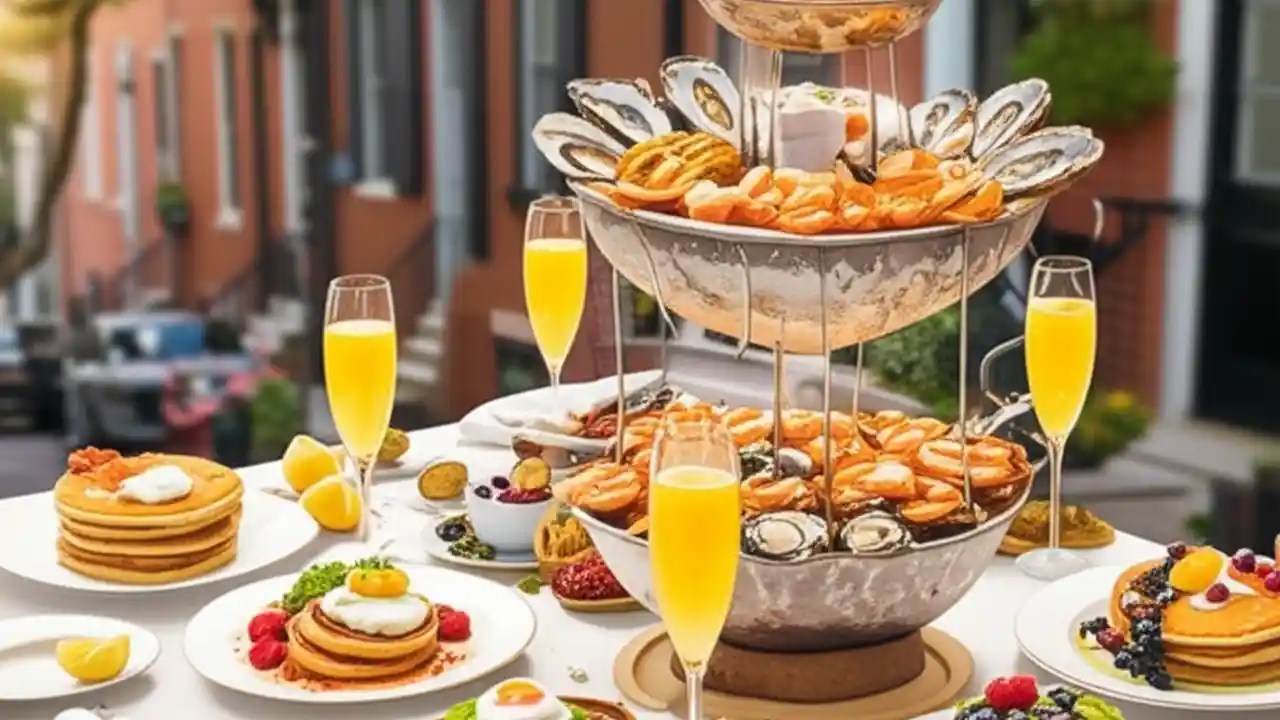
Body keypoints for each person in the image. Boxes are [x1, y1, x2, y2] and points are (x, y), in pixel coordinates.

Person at [161, 372, 220, 458]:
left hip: (200, 456)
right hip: (178, 456)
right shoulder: (170, 404)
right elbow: (175, 421)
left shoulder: (203, 403)